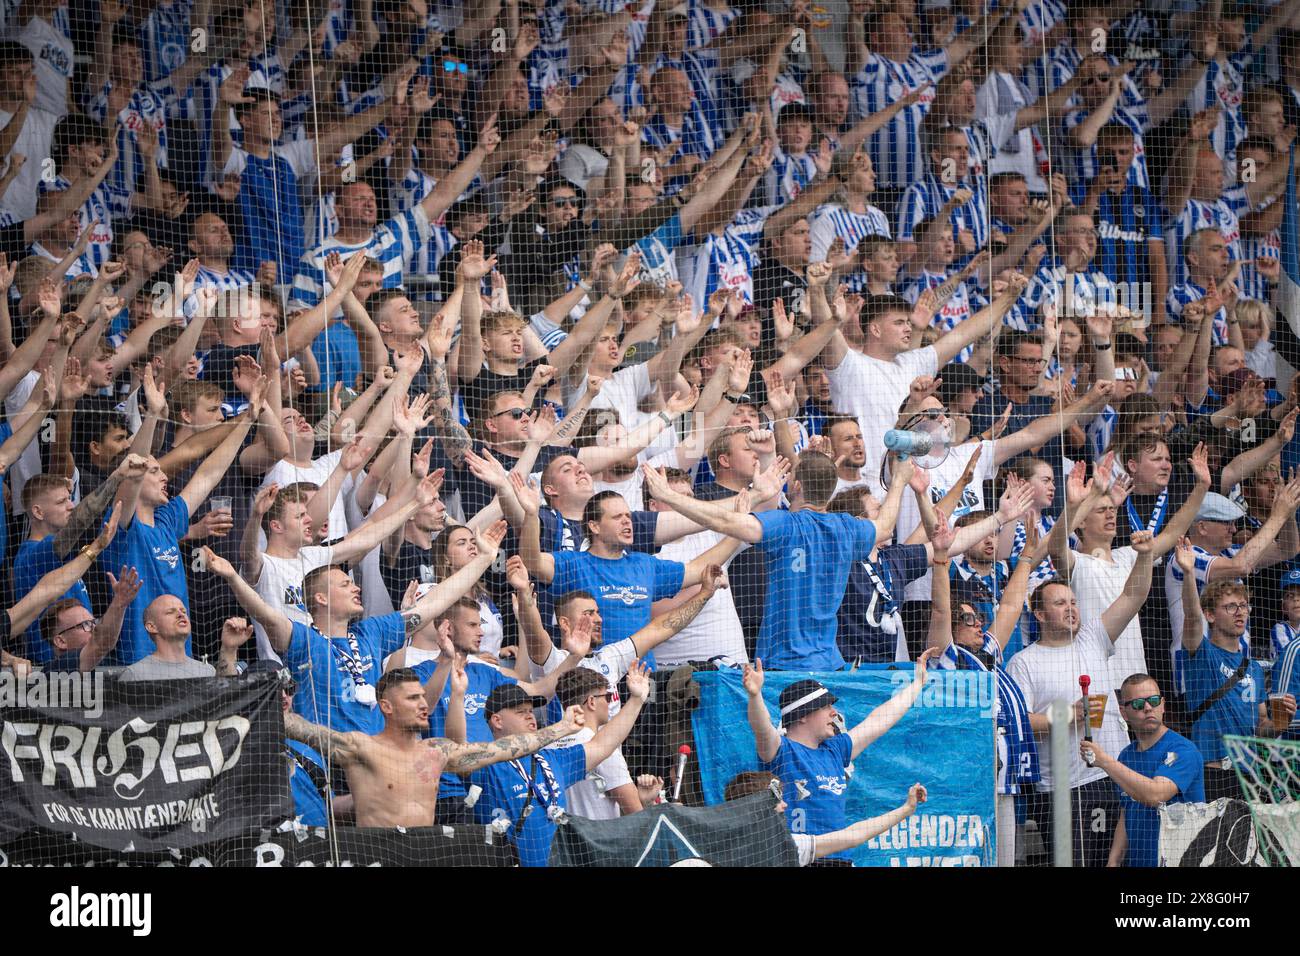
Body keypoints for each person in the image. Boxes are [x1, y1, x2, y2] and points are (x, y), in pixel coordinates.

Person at [200, 521, 511, 734]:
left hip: (376, 755)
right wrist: (233, 578)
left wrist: (483, 559)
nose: (355, 587)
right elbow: (265, 613)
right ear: (320, 598)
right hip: (328, 761)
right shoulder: (302, 638)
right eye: (345, 584)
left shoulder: (371, 632)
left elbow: (432, 604)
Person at [642, 452, 908, 671]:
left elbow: (724, 521)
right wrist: (899, 481)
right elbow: (885, 527)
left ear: (796, 486)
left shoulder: (784, 525)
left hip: (783, 666)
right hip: (831, 664)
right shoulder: (848, 528)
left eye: (791, 477)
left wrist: (669, 497)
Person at [1006, 530, 1157, 867]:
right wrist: (1066, 717)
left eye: (1073, 602)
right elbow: (1017, 725)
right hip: (1065, 790)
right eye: (1060, 604)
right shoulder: (1024, 662)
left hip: (1115, 774)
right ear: (1040, 615)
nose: (1071, 608)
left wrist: (1145, 556)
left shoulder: (1092, 638)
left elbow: (1132, 597)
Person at [281, 666, 588, 828]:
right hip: (375, 855)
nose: (424, 704)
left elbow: (504, 748)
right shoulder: (359, 747)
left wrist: (560, 728)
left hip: (426, 853)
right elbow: (301, 728)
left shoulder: (436, 751)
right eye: (412, 698)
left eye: (423, 697)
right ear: (386, 707)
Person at [742, 646, 937, 865]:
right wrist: (755, 695)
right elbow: (761, 727)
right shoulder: (781, 751)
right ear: (803, 715)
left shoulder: (835, 750)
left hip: (840, 859)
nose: (834, 713)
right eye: (825, 707)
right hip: (797, 859)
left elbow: (879, 720)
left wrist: (918, 683)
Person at [468, 661, 654, 865]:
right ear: (497, 721)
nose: (531, 716)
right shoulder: (486, 766)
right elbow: (459, 753)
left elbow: (601, 745)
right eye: (521, 711)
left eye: (532, 710)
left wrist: (636, 699)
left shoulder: (550, 758)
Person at [1175, 550, 1296, 800]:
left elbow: (1262, 727)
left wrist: (1281, 723)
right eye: (1230, 607)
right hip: (1213, 773)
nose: (1240, 612)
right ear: (1210, 615)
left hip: (1250, 777)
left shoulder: (1253, 668)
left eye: (1243, 606)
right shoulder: (1202, 653)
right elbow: (1191, 617)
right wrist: (1188, 573)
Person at [1080, 674, 1206, 868]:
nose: (1148, 708)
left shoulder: (1183, 750)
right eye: (1138, 704)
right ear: (1124, 712)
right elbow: (1127, 809)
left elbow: (1156, 795)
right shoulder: (1126, 756)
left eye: (1154, 701)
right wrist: (1114, 860)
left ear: (1163, 705)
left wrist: (1104, 761)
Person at [723, 770, 927, 866]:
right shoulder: (721, 849)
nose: (785, 805)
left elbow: (853, 836)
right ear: (756, 807)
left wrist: (907, 809)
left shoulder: (791, 845)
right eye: (776, 800)